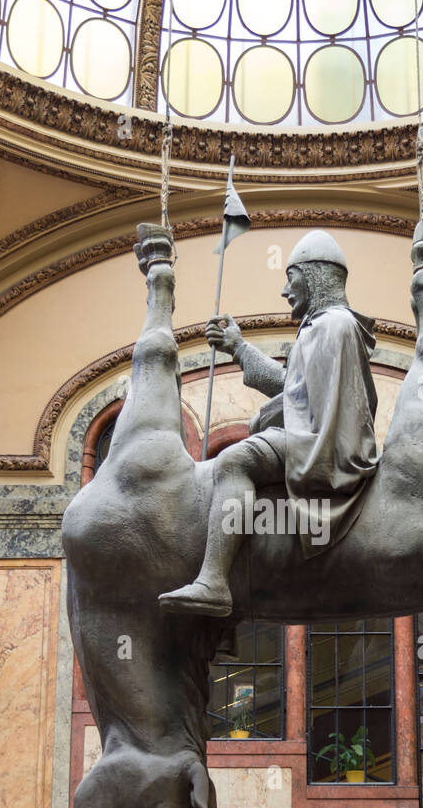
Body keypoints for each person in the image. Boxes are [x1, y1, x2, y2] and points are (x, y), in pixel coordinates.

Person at [159, 230, 380, 617]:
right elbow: (295, 389)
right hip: (313, 435)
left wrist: (274, 417)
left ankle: (213, 580)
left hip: (323, 446)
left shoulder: (334, 326)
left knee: (233, 462)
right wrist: (239, 348)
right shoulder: (325, 326)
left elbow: (324, 409)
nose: (284, 290)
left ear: (312, 276)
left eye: (290, 276)